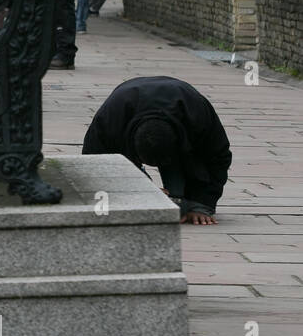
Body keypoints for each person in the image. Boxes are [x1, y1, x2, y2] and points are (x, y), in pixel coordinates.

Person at [83, 76, 232, 225]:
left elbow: (219, 157)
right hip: (127, 103)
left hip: (181, 104)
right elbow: (93, 166)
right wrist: (137, 190)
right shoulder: (111, 119)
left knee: (180, 199)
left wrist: (201, 203)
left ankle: (177, 195)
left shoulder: (197, 113)